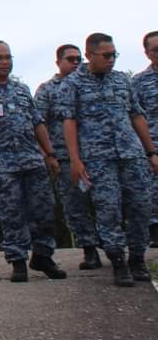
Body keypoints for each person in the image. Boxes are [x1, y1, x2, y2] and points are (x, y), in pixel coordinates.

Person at [0, 40, 65, 283]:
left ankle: (42, 256)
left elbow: (37, 122)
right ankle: (18, 260)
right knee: (12, 213)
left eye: (8, 57)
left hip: (31, 160)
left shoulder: (22, 90)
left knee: (44, 210)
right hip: (2, 164)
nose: (4, 62)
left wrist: (50, 153)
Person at [64, 32, 158, 287]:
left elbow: (136, 115)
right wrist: (75, 159)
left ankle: (137, 259)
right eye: (106, 55)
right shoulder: (73, 84)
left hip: (131, 154)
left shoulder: (121, 80)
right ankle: (118, 262)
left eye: (114, 54)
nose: (111, 59)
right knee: (109, 210)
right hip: (98, 158)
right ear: (90, 55)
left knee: (141, 206)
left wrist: (151, 152)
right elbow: (69, 121)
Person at [34, 44, 102, 270]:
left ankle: (113, 246)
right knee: (76, 205)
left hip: (97, 153)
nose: (76, 63)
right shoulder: (47, 90)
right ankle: (89, 249)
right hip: (64, 157)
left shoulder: (90, 85)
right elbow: (38, 124)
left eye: (78, 59)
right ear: (58, 62)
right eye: (70, 59)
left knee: (105, 201)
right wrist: (47, 155)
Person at [132, 30, 158, 248]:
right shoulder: (139, 82)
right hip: (152, 144)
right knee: (151, 190)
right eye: (155, 49)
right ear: (147, 53)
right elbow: (134, 115)